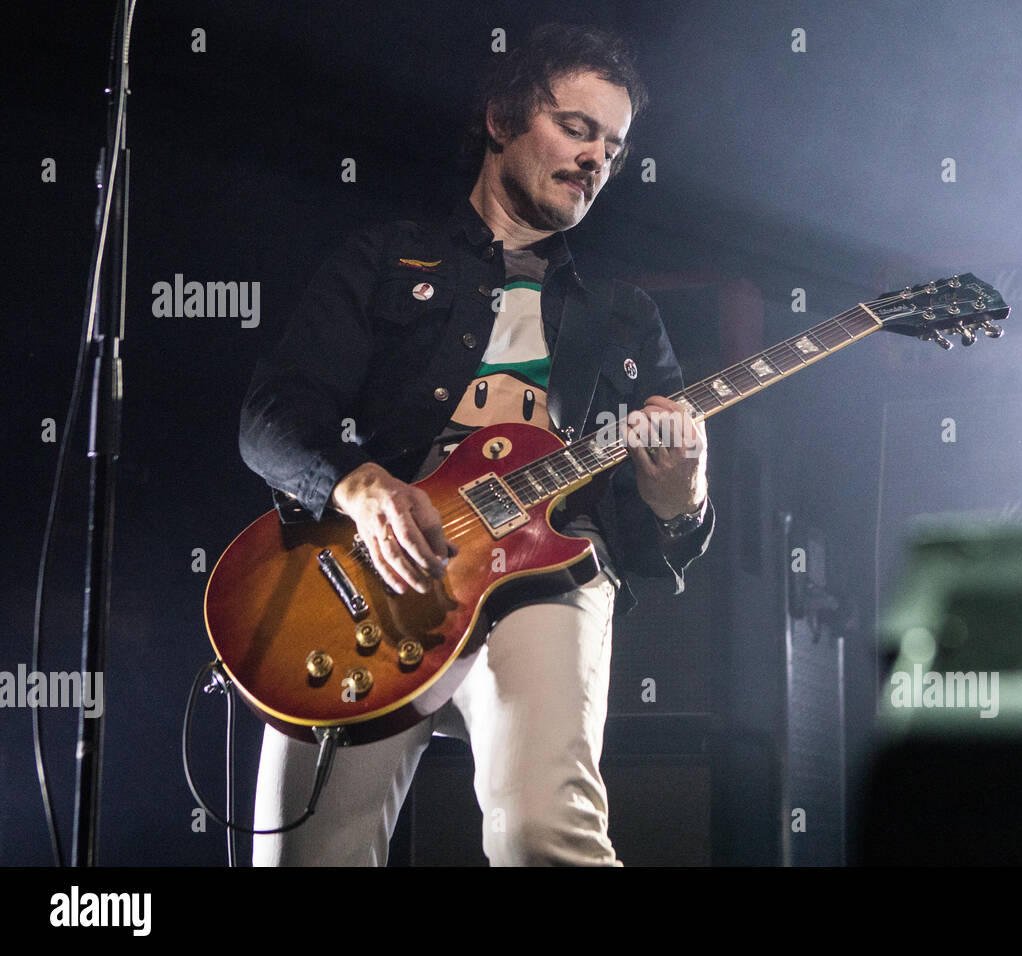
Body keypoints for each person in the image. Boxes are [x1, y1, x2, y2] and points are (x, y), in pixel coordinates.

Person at [237, 22, 714, 866]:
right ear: (502, 121)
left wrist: (682, 496)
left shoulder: (627, 316)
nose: (597, 158)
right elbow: (274, 415)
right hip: (380, 565)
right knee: (301, 855)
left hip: (546, 569)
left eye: (613, 145)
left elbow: (656, 542)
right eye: (576, 128)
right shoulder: (385, 259)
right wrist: (360, 487)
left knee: (544, 836)